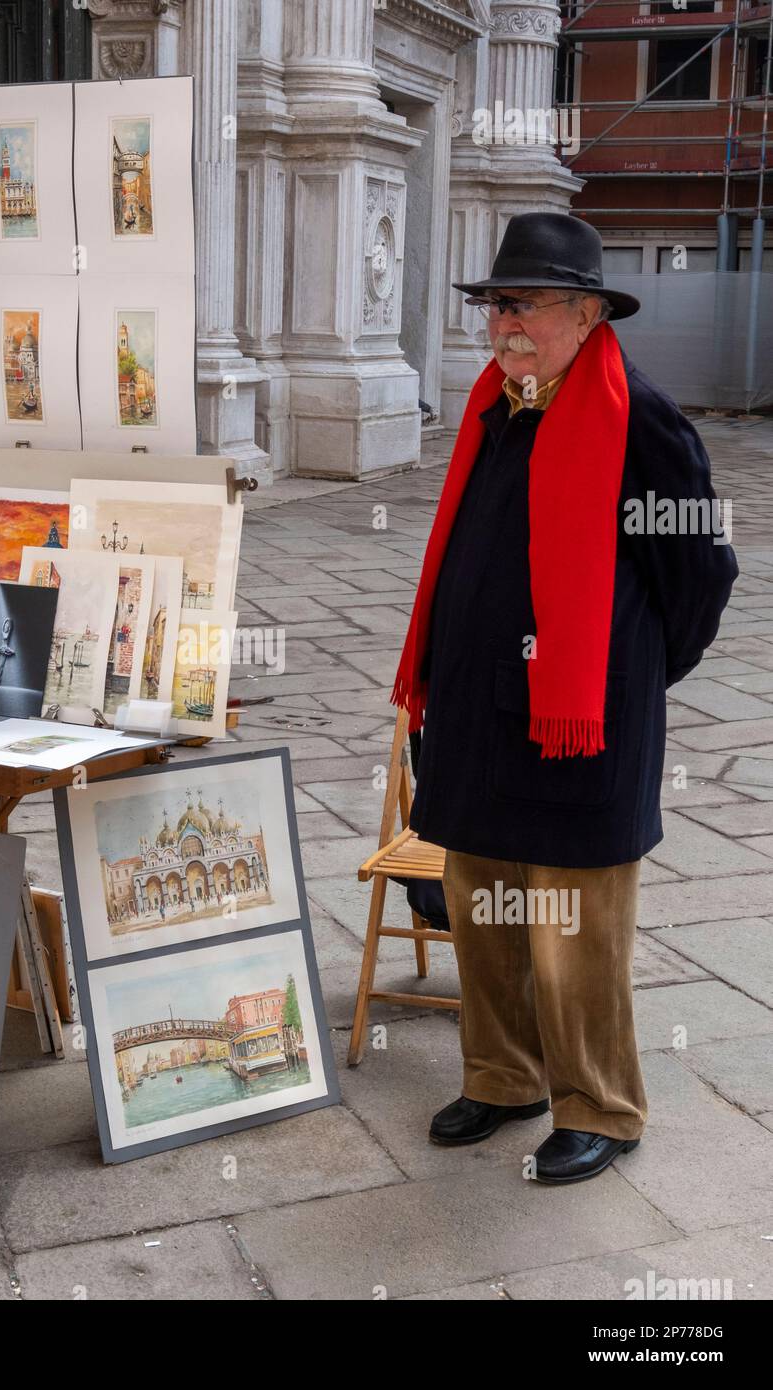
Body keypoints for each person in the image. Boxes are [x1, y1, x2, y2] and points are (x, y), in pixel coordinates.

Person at [392, 212, 738, 1184]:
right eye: (495, 302)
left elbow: (701, 571)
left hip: (579, 721)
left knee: (576, 927)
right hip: (477, 715)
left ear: (586, 314)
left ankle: (600, 1104)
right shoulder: (494, 408)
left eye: (525, 303)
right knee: (486, 909)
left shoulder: (644, 422)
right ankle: (502, 1076)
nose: (504, 321)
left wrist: (630, 671)